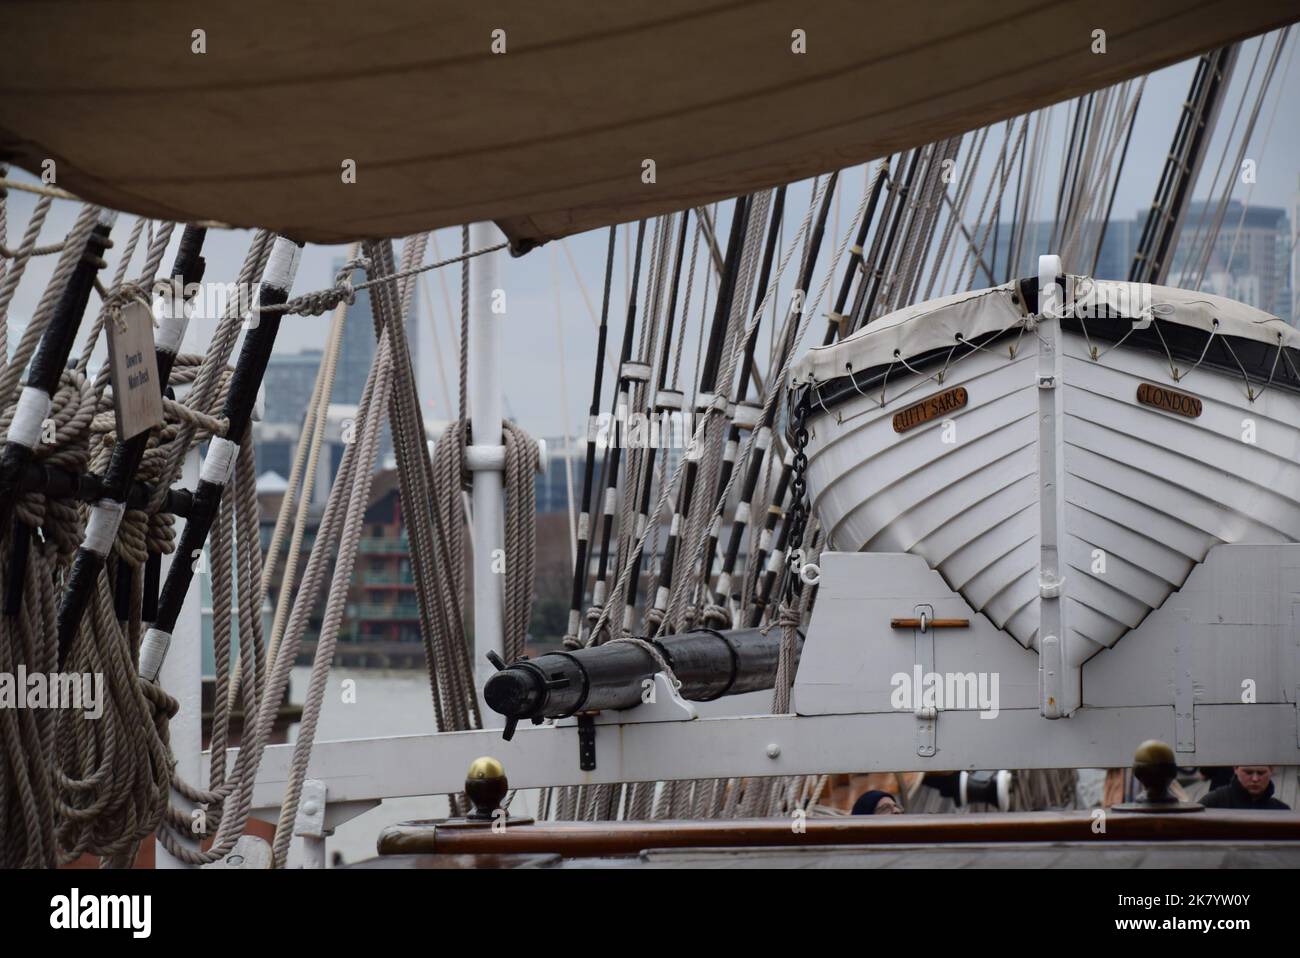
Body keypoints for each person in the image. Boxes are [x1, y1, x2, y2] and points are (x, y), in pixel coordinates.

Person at [1200, 766, 1290, 810]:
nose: (1255, 779)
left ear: (1271, 770)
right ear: (1235, 769)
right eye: (1249, 772)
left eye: (1261, 773)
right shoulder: (1213, 802)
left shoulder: (1282, 809)